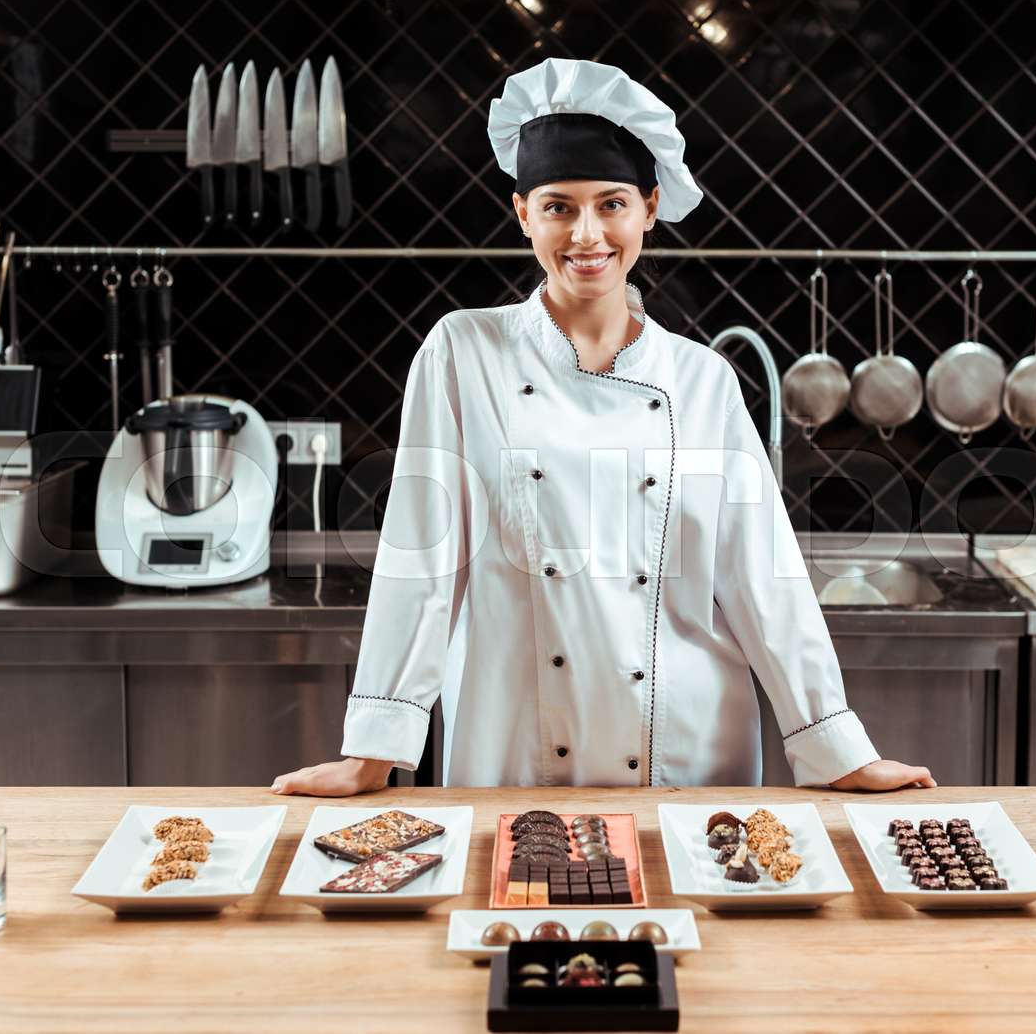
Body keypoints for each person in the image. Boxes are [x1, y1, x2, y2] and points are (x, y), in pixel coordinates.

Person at [272, 58, 934, 797]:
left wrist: (837, 748)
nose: (586, 233)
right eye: (558, 206)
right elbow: (421, 560)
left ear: (649, 208)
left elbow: (763, 575)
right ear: (523, 213)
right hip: (515, 739)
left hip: (682, 744)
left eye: (610, 203)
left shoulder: (701, 380)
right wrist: (375, 749)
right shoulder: (463, 352)